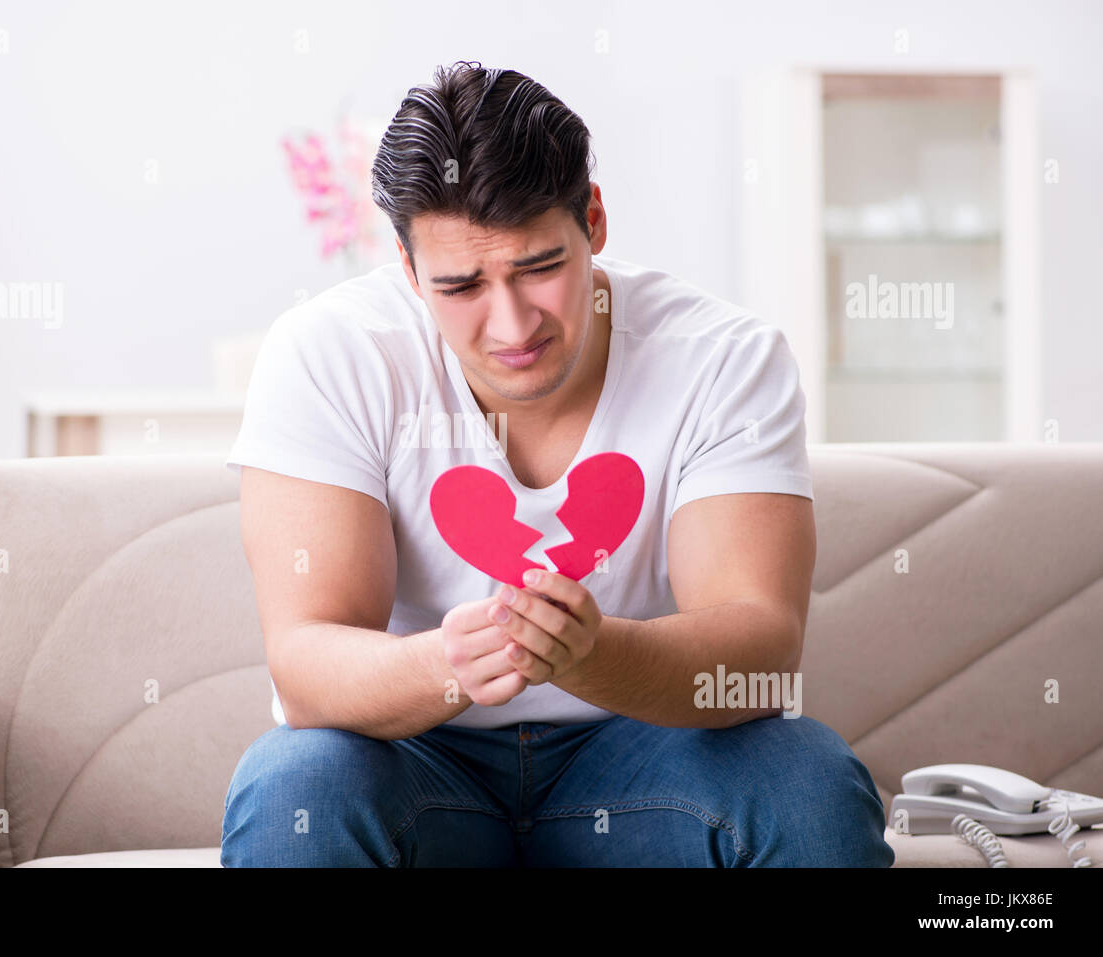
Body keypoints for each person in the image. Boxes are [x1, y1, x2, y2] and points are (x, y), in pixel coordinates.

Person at [220, 60, 893, 867]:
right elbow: (305, 664)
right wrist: (450, 663)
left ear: (595, 221)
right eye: (461, 284)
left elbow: (760, 649)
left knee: (808, 786)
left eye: (540, 267)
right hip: (418, 758)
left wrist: (592, 654)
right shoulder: (329, 354)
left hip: (642, 749)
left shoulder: (722, 358)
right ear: (407, 271)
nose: (511, 324)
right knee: (295, 784)